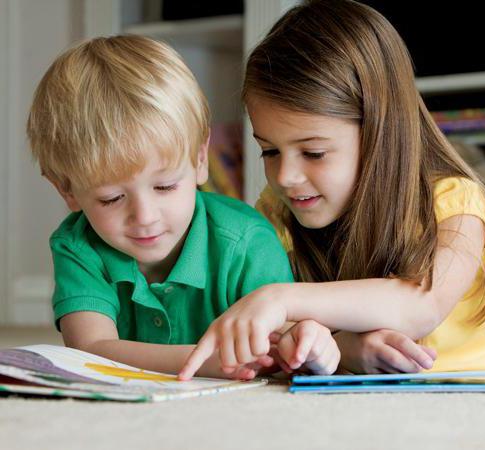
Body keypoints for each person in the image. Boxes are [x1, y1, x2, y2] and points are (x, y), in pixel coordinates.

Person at [179, 0, 485, 380]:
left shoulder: (456, 200)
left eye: (314, 152)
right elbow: (284, 340)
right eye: (269, 151)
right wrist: (347, 348)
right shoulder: (277, 212)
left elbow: (420, 307)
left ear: (382, 133)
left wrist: (278, 298)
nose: (285, 175)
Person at [26, 35, 340, 380]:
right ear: (66, 190)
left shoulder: (246, 241)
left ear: (200, 158)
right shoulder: (77, 245)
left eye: (165, 186)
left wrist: (307, 341)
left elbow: (282, 338)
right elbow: (90, 349)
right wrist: (202, 360)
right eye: (112, 198)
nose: (145, 217)